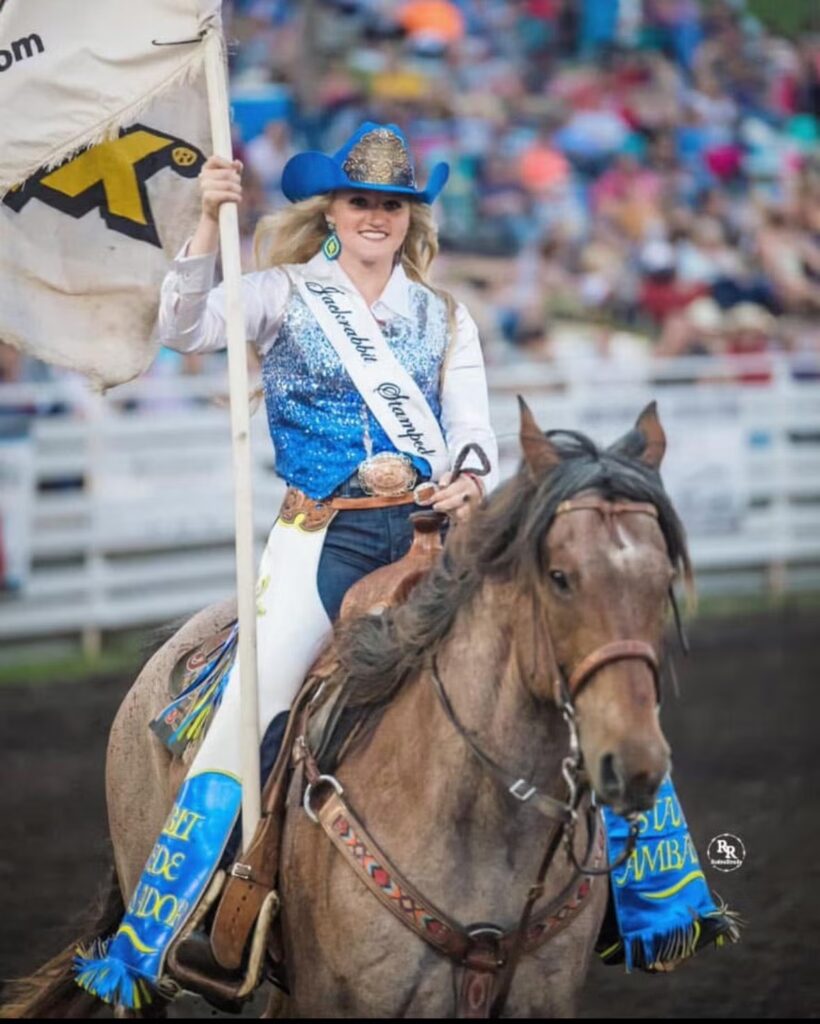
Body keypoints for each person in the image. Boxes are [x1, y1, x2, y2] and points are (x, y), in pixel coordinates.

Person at [74, 122, 499, 1009]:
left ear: (409, 218)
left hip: (427, 534)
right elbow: (184, 325)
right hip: (322, 538)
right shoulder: (279, 293)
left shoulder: (446, 316)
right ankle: (237, 896)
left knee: (552, 664)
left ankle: (637, 886)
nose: (375, 217)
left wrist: (466, 477)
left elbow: (473, 428)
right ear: (333, 210)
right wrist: (205, 223)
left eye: (392, 204)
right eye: (360, 201)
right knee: (254, 709)